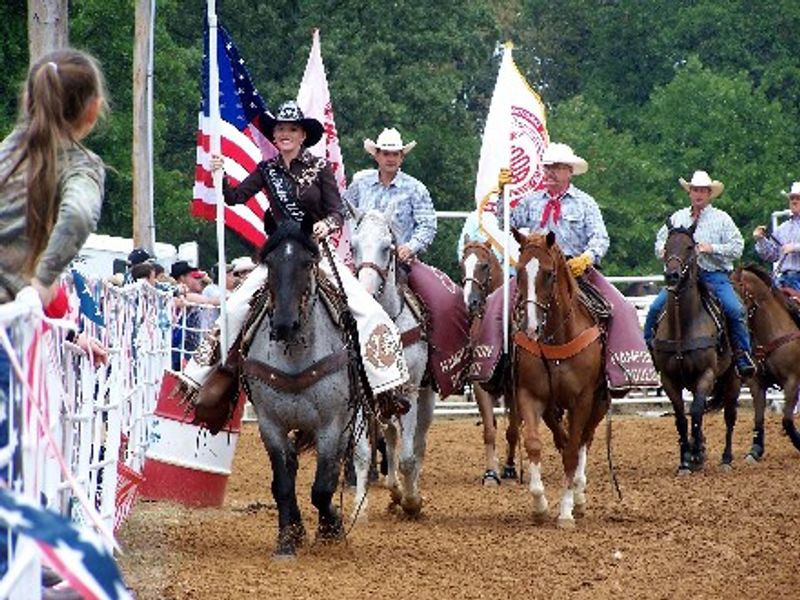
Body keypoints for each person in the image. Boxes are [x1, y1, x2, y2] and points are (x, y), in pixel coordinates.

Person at [173, 102, 409, 430]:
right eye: (280, 129)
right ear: (274, 135)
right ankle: (202, 380)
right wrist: (220, 174)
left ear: (302, 136)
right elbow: (237, 197)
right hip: (278, 255)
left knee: (367, 309)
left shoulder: (320, 167)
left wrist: (327, 224)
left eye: (292, 129)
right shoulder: (267, 169)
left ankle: (384, 384)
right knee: (234, 309)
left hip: (315, 252)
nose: (285, 134)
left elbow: (337, 211)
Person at [0, 48, 107, 591]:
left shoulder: (4, 156)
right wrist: (41, 285)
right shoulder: (77, 164)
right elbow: (82, 212)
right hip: (7, 334)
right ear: (91, 110)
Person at [474, 143, 658, 395]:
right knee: (496, 302)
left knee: (622, 308)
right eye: (547, 167)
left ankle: (617, 372)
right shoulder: (530, 201)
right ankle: (495, 369)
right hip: (537, 273)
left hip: (577, 272)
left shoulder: (585, 203)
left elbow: (600, 238)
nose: (549, 172)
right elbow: (506, 222)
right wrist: (502, 193)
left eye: (557, 168)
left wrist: (587, 257)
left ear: (569, 172)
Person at [343, 127, 470, 398]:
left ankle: (440, 365)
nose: (390, 158)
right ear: (376, 155)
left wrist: (409, 247)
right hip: (363, 260)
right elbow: (343, 214)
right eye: (386, 153)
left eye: (396, 154)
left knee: (443, 300)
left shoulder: (415, 188)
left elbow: (427, 225)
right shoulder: (359, 186)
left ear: (402, 157)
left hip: (402, 262)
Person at [643, 170, 756, 377]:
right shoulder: (677, 218)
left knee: (735, 310)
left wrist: (711, 248)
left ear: (710, 194)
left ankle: (742, 355)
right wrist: (664, 252)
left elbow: (737, 246)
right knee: (654, 309)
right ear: (690, 192)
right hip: (682, 279)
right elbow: (660, 241)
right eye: (695, 190)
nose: (699, 194)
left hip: (714, 276)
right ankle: (649, 349)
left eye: (703, 190)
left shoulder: (722, 219)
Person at [753, 181, 800, 290]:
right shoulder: (782, 228)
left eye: (798, 198)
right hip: (783, 279)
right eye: (792, 198)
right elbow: (772, 255)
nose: (794, 201)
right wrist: (761, 240)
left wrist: (795, 247)